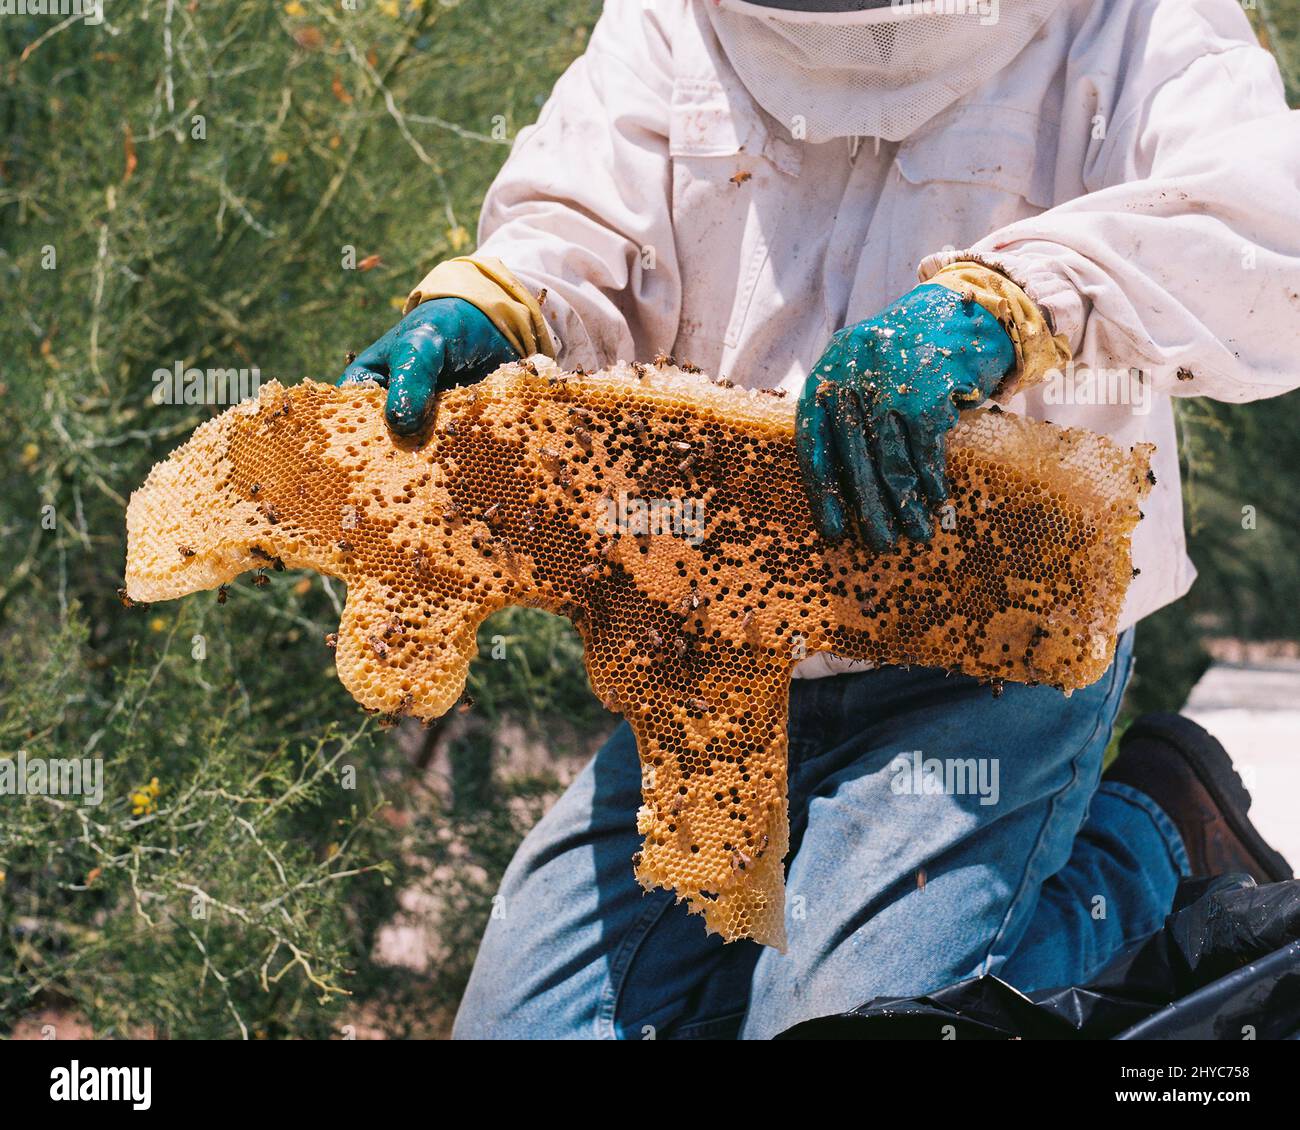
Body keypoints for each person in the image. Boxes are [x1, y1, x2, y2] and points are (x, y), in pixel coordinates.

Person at [339, 0, 1300, 1038]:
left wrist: (1016, 302)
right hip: (724, 645)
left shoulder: (1128, 15)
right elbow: (586, 216)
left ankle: (1150, 840)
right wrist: (499, 300)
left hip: (996, 653)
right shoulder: (683, 16)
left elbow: (1261, 222)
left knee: (856, 1027)